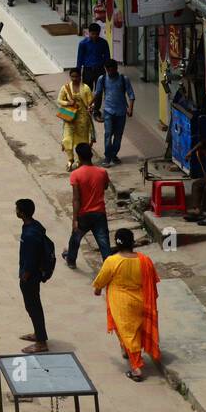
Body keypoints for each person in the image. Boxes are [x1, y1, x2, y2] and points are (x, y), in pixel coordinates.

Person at [93, 228, 161, 381]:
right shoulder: (145, 260)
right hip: (141, 300)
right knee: (134, 330)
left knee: (127, 332)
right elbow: (153, 281)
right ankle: (126, 350)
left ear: (116, 243)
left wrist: (98, 290)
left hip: (121, 303)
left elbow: (102, 279)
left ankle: (136, 369)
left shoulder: (112, 261)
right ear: (132, 242)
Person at [63, 142, 114, 267]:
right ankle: (110, 266)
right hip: (99, 213)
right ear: (91, 155)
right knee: (104, 242)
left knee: (75, 239)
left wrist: (74, 219)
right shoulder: (102, 172)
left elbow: (76, 199)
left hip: (83, 214)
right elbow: (106, 186)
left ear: (79, 157)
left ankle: (71, 260)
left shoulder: (76, 174)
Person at [16, 198, 52, 353]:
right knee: (32, 306)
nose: (16, 211)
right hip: (31, 273)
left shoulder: (30, 234)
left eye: (17, 209)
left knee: (33, 306)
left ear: (22, 213)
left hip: (30, 276)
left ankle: (41, 342)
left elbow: (31, 257)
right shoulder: (34, 226)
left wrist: (26, 274)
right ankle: (38, 334)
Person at [92, 59, 135, 167]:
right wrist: (90, 104)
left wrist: (130, 109)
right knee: (108, 134)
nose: (111, 72)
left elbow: (131, 95)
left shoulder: (123, 79)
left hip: (121, 112)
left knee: (118, 135)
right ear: (106, 69)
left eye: (113, 70)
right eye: (108, 70)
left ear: (116, 68)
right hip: (108, 111)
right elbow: (97, 93)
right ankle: (107, 156)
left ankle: (114, 154)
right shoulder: (102, 79)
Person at [58, 66, 96, 171]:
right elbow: (59, 100)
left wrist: (91, 107)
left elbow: (90, 102)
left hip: (83, 120)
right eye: (72, 76)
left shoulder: (86, 88)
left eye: (76, 76)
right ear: (70, 77)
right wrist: (67, 103)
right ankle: (70, 159)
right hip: (69, 119)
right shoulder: (65, 88)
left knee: (82, 142)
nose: (74, 78)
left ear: (80, 77)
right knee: (66, 140)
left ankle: (80, 160)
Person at [76, 23, 111, 91]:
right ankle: (89, 102)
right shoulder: (83, 43)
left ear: (99, 33)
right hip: (88, 70)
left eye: (97, 34)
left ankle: (98, 102)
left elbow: (107, 57)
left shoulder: (104, 43)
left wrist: (109, 70)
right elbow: (79, 59)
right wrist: (78, 72)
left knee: (99, 90)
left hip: (100, 69)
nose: (95, 36)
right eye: (92, 34)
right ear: (89, 32)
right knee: (87, 91)